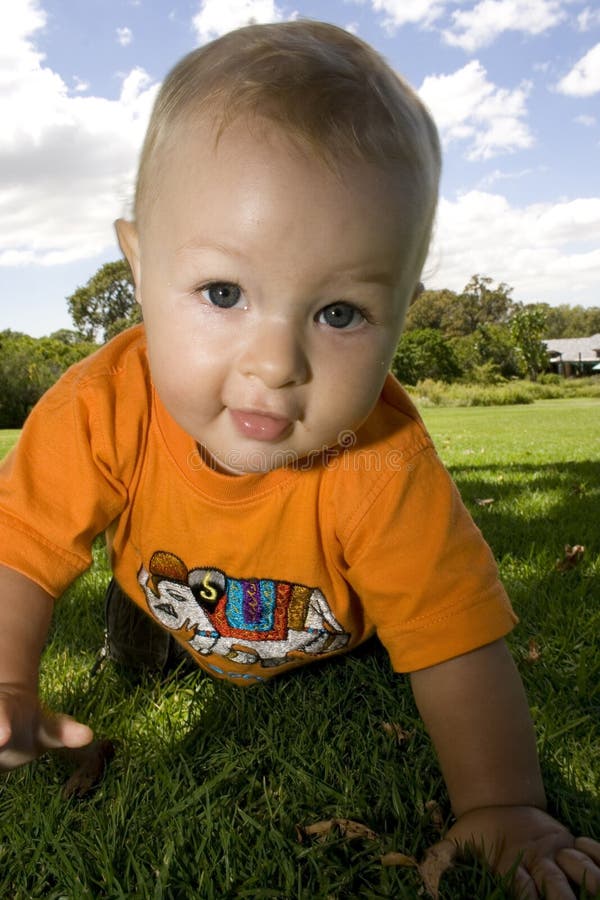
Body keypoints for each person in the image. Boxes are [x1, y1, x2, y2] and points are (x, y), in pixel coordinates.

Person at [0, 20, 598, 898]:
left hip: (325, 625)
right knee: (139, 628)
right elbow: (20, 545)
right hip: (163, 595)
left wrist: (502, 804)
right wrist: (11, 678)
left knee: (375, 633)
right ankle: (141, 641)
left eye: (341, 313)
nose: (276, 364)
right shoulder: (101, 404)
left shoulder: (384, 459)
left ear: (401, 310)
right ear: (139, 267)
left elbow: (455, 637)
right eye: (223, 293)